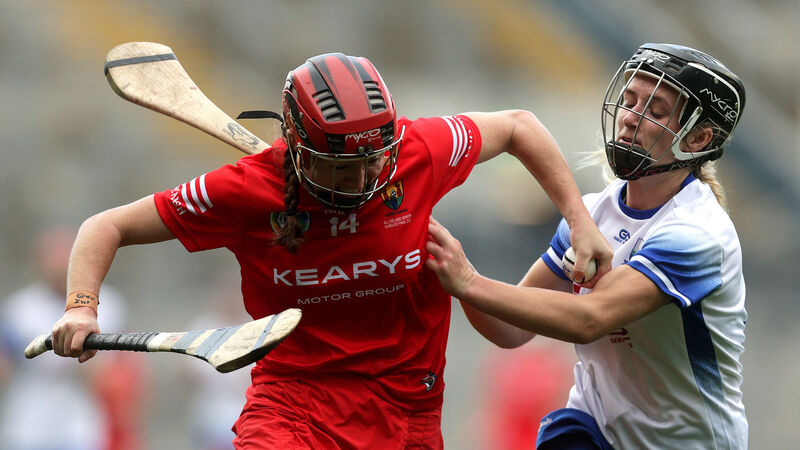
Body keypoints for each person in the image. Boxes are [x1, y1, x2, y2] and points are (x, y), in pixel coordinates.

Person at [49, 52, 612, 448]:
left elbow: (519, 126)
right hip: (294, 405)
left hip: (409, 409)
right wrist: (81, 304)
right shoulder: (245, 190)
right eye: (345, 167)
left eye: (376, 159)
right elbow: (105, 226)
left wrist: (579, 221)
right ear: (299, 149)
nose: (367, 178)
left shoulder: (418, 153)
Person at [425, 43, 748, 449]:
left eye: (656, 110)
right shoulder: (592, 216)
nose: (630, 117)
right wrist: (443, 259)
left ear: (699, 138)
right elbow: (509, 330)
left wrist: (469, 282)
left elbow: (589, 318)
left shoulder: (697, 233)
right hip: (595, 431)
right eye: (630, 100)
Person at [0, 226, 147, 450]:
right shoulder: (20, 309)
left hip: (82, 422)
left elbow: (126, 368)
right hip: (29, 422)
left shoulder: (109, 304)